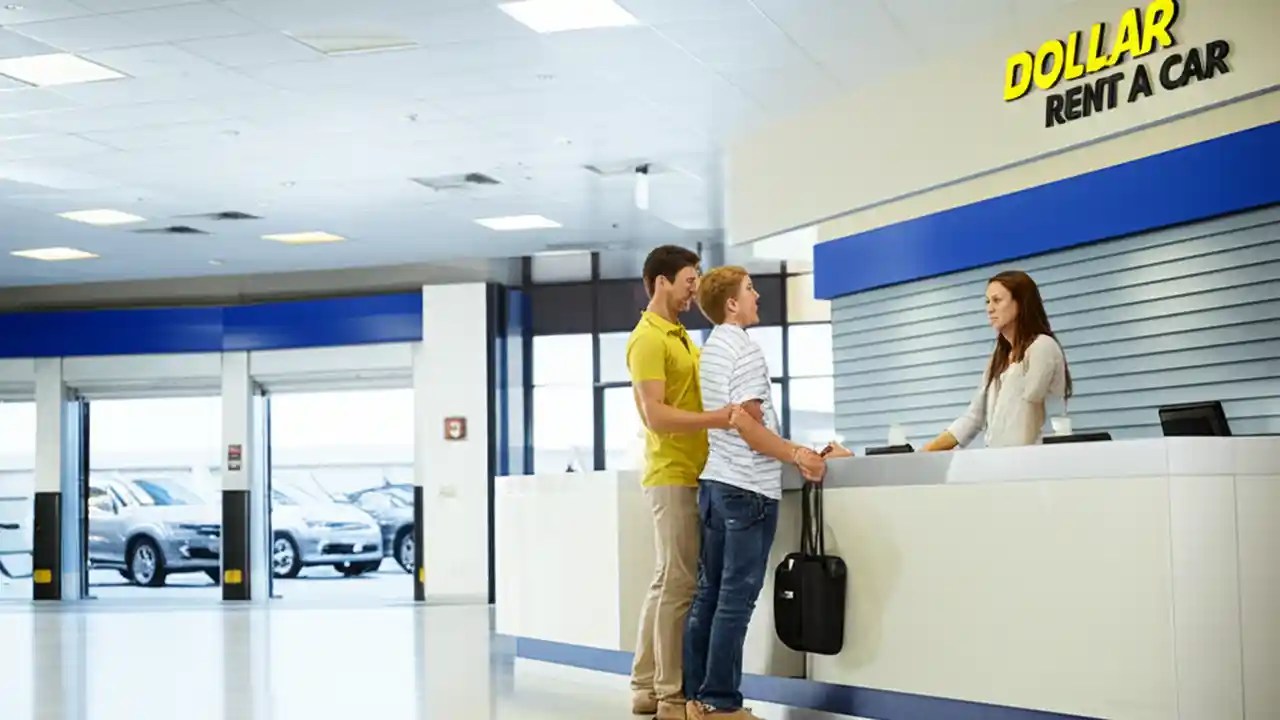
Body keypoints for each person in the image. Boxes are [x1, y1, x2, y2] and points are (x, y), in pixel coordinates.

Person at [682, 266, 826, 720]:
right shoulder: (744, 350)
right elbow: (749, 425)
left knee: (709, 595)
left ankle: (696, 699)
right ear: (730, 303)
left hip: (716, 484)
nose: (757, 296)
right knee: (734, 600)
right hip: (747, 489)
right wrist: (797, 453)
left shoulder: (711, 350)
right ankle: (721, 703)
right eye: (749, 290)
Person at [627, 245, 735, 720]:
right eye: (690, 279)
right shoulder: (648, 339)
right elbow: (655, 414)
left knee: (667, 580)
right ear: (661, 281)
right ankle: (670, 695)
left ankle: (644, 685)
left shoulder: (682, 337)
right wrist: (719, 419)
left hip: (694, 470)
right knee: (680, 584)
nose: (696, 288)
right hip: (672, 473)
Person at [922, 270, 1072, 450]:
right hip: (1001, 463)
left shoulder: (1043, 346)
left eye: (997, 300)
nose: (989, 308)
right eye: (987, 301)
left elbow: (1026, 409)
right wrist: (924, 452)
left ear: (1021, 302)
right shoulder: (998, 358)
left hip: (1034, 462)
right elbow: (973, 418)